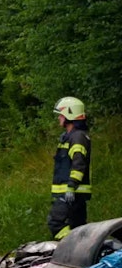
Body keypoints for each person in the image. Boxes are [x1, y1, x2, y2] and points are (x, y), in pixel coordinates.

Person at [48, 97, 92, 239]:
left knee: (56, 223)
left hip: (71, 193)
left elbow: (79, 163)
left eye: (61, 115)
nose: (59, 118)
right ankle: (82, 254)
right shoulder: (69, 137)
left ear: (69, 115)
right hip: (70, 192)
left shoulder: (77, 137)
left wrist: (71, 186)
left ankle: (71, 248)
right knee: (77, 226)